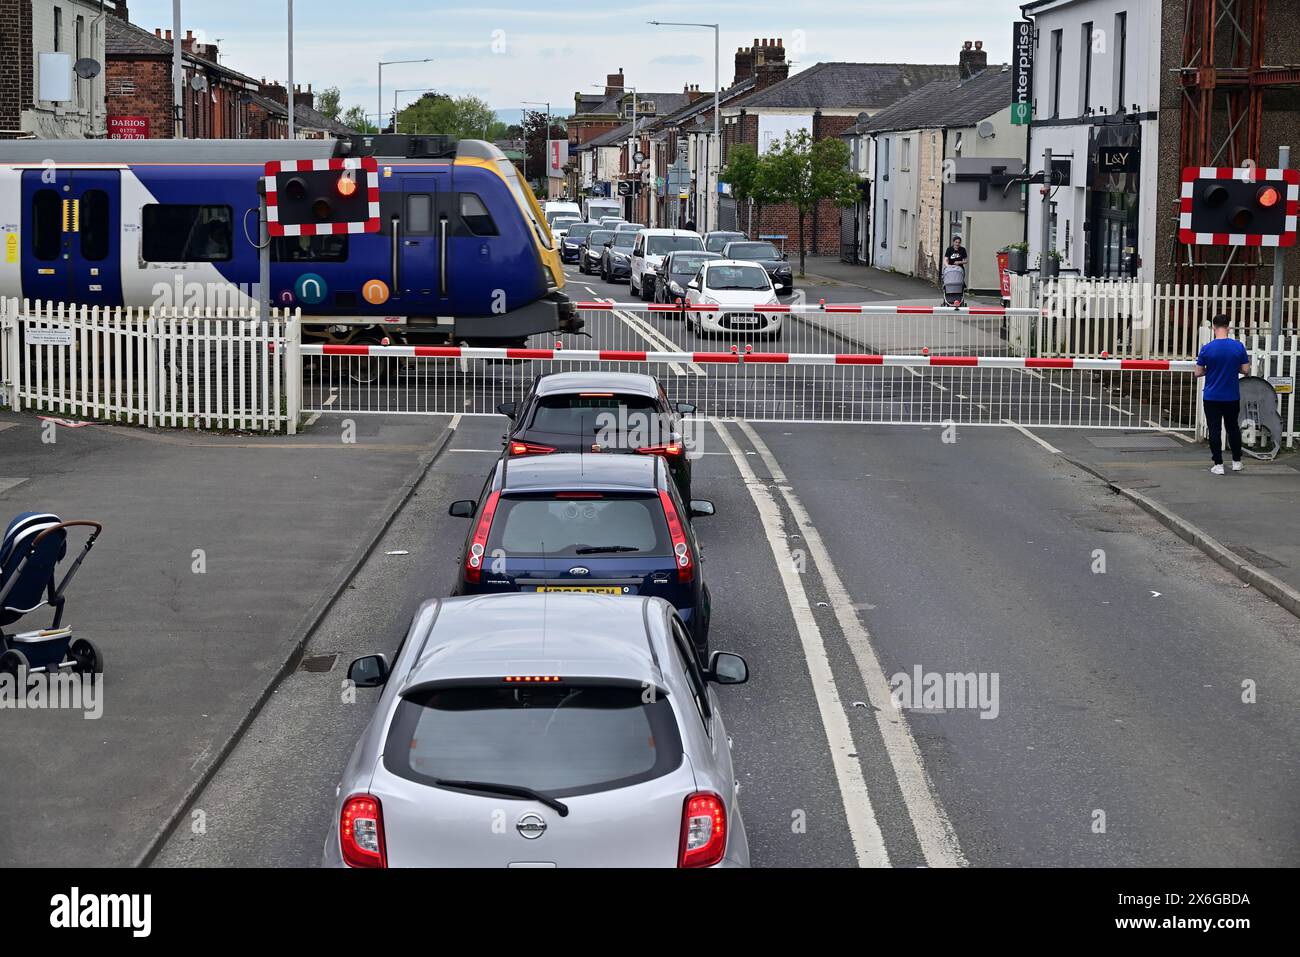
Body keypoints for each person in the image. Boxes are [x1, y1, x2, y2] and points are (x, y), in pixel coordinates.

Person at [1194, 313, 1251, 474]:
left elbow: (1197, 373)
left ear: (1213, 327)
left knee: (1214, 429)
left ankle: (1218, 464)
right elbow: (1246, 370)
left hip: (1212, 396)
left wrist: (1209, 370)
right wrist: (1235, 368)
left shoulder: (1206, 349)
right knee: (1232, 428)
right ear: (1229, 327)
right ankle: (1236, 461)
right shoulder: (1238, 346)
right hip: (1232, 395)